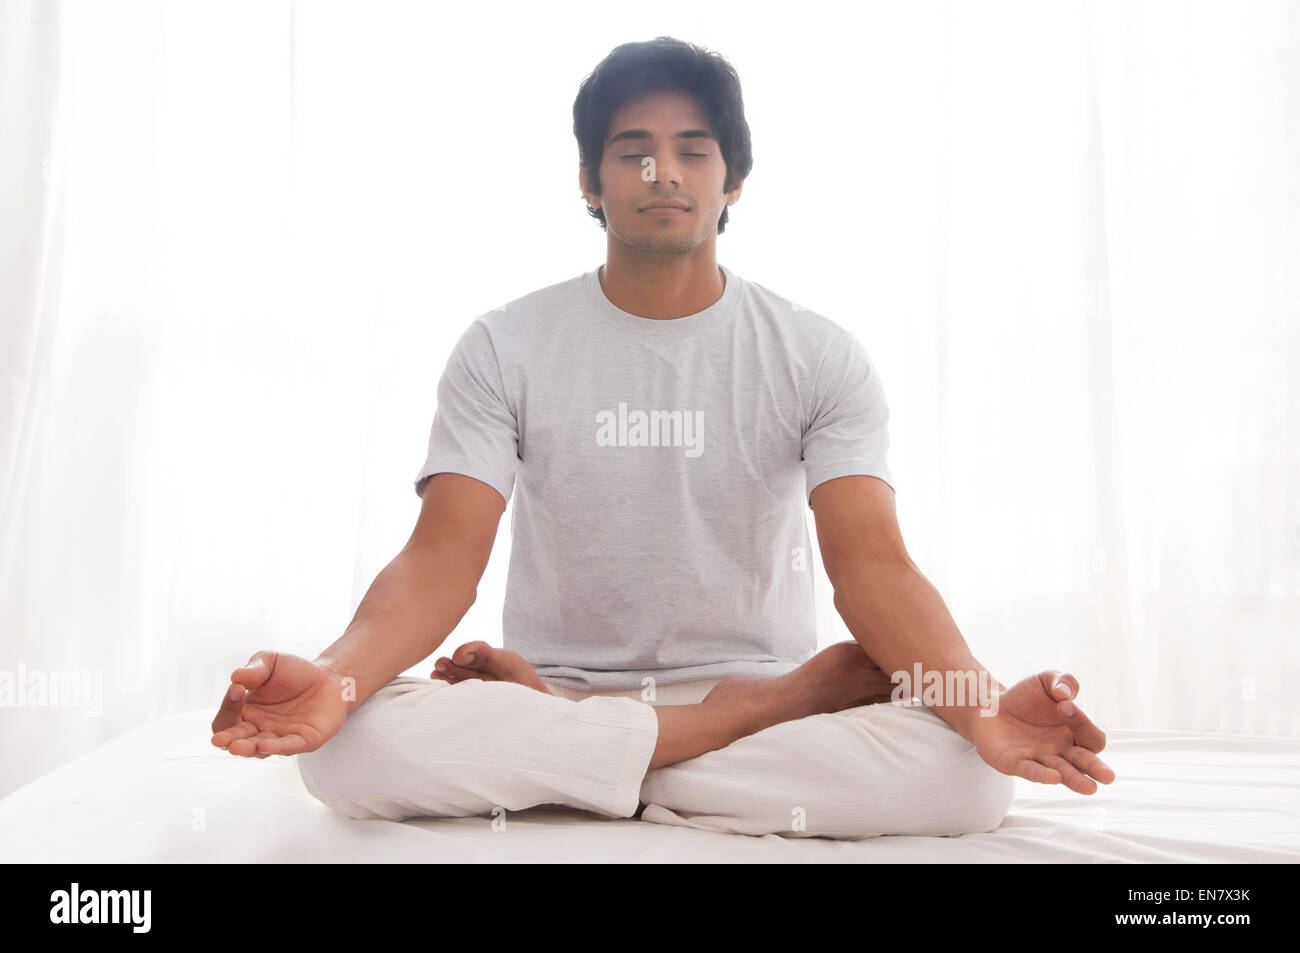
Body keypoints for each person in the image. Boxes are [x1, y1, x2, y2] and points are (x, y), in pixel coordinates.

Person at [210, 36, 1114, 838]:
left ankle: (592, 768)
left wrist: (984, 707)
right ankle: (701, 737)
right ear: (588, 180)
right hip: (570, 689)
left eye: (693, 151)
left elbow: (873, 565)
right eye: (632, 151)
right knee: (344, 753)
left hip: (698, 689)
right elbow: (442, 558)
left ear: (735, 180)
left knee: (962, 778)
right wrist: (335, 678)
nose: (662, 174)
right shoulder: (504, 345)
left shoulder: (817, 354)